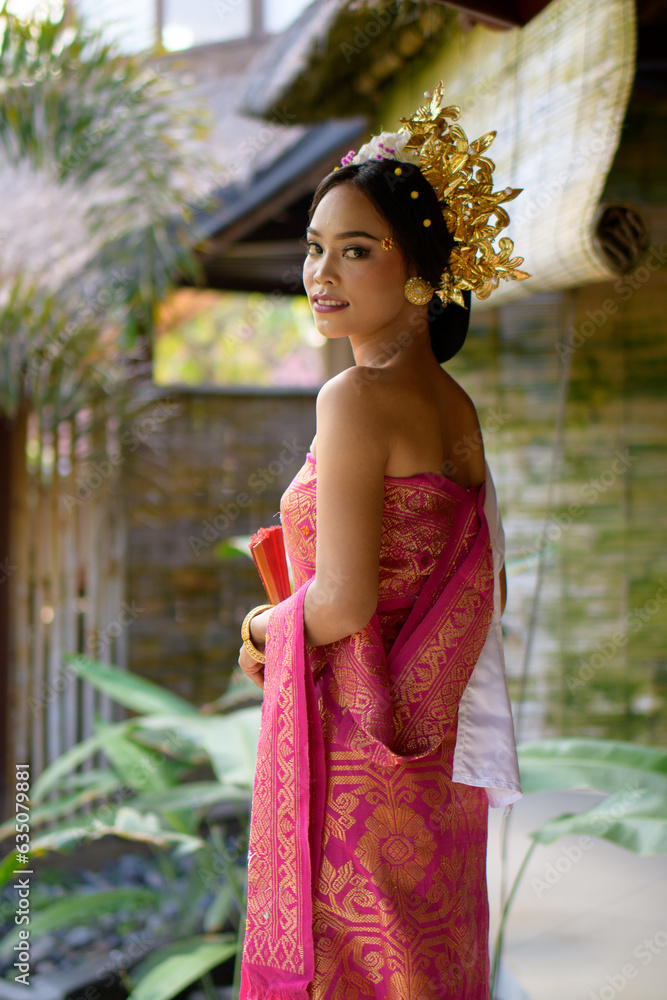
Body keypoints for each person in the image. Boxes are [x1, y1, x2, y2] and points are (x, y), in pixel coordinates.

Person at [236, 85, 527, 1000]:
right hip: (429, 751)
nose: (321, 273)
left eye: (355, 250)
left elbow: (343, 603)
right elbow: (482, 588)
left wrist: (257, 628)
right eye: (315, 249)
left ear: (420, 272)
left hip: (356, 756)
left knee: (351, 971)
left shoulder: (353, 399)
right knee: (421, 961)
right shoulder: (455, 406)